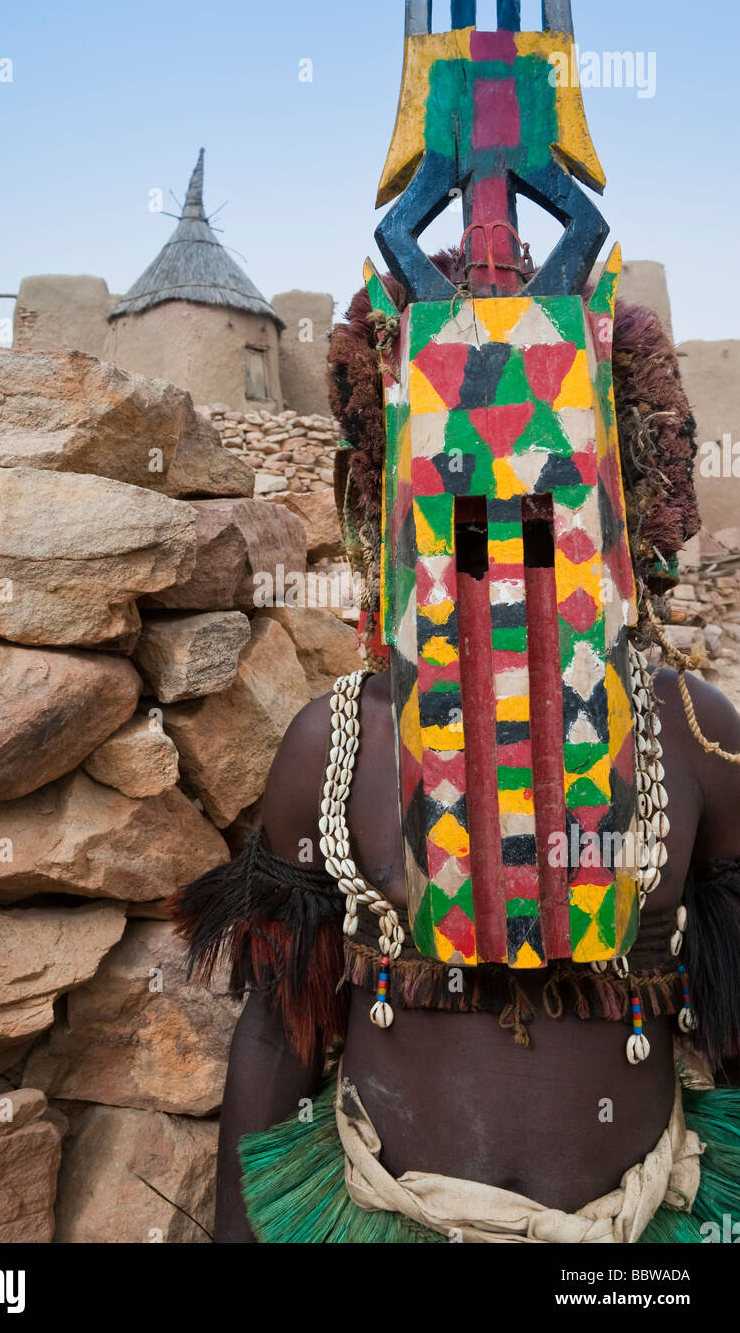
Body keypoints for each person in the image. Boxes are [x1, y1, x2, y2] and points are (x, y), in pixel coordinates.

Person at [175, 254, 740, 1244]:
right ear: (394, 483)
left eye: (545, 463)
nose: (503, 511)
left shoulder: (691, 736)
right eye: (460, 466)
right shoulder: (333, 741)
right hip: (378, 1210)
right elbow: (276, 1026)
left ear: (617, 476)